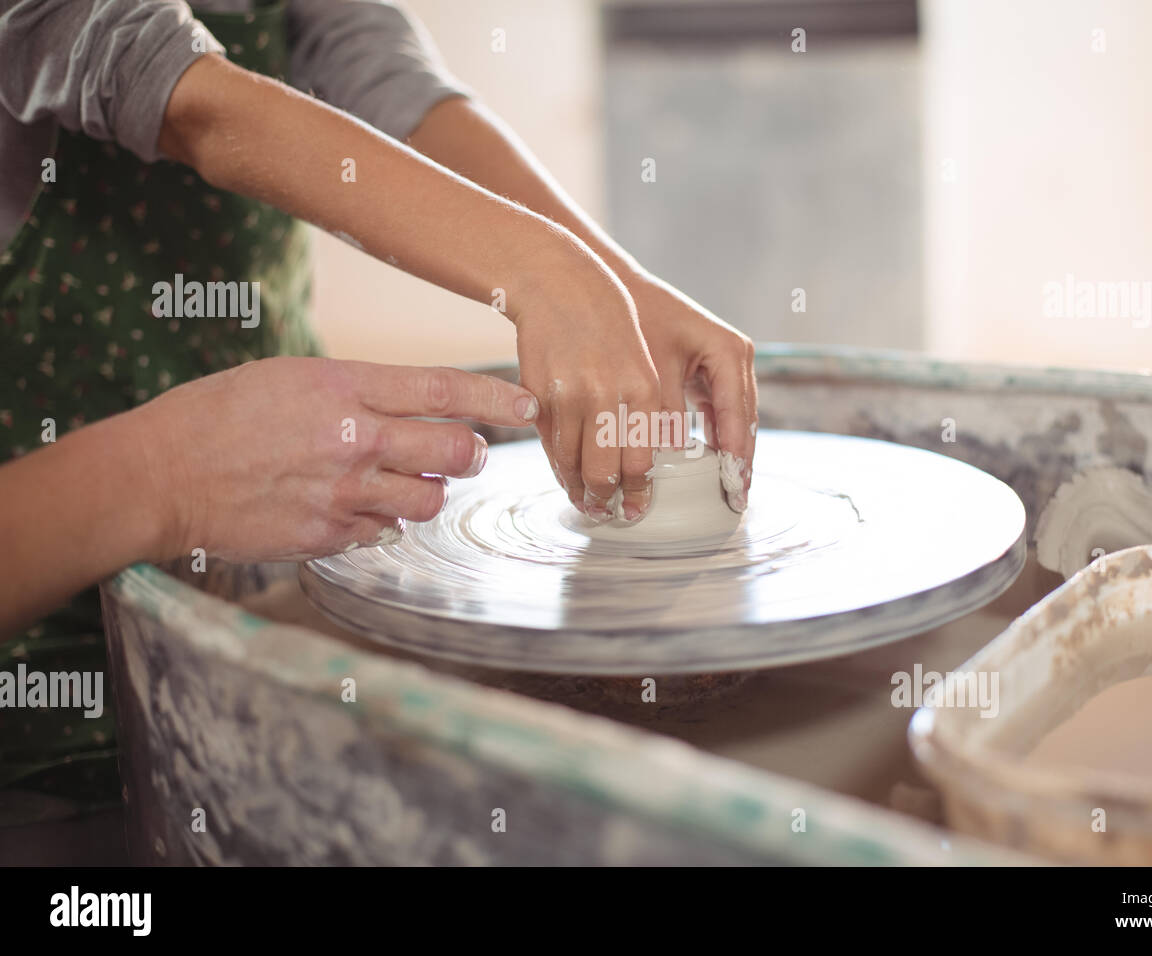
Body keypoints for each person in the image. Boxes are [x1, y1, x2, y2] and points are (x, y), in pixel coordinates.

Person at [0, 0, 758, 821]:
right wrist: (546, 273)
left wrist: (615, 286)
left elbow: (379, 73)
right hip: (42, 633)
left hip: (269, 512)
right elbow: (179, 93)